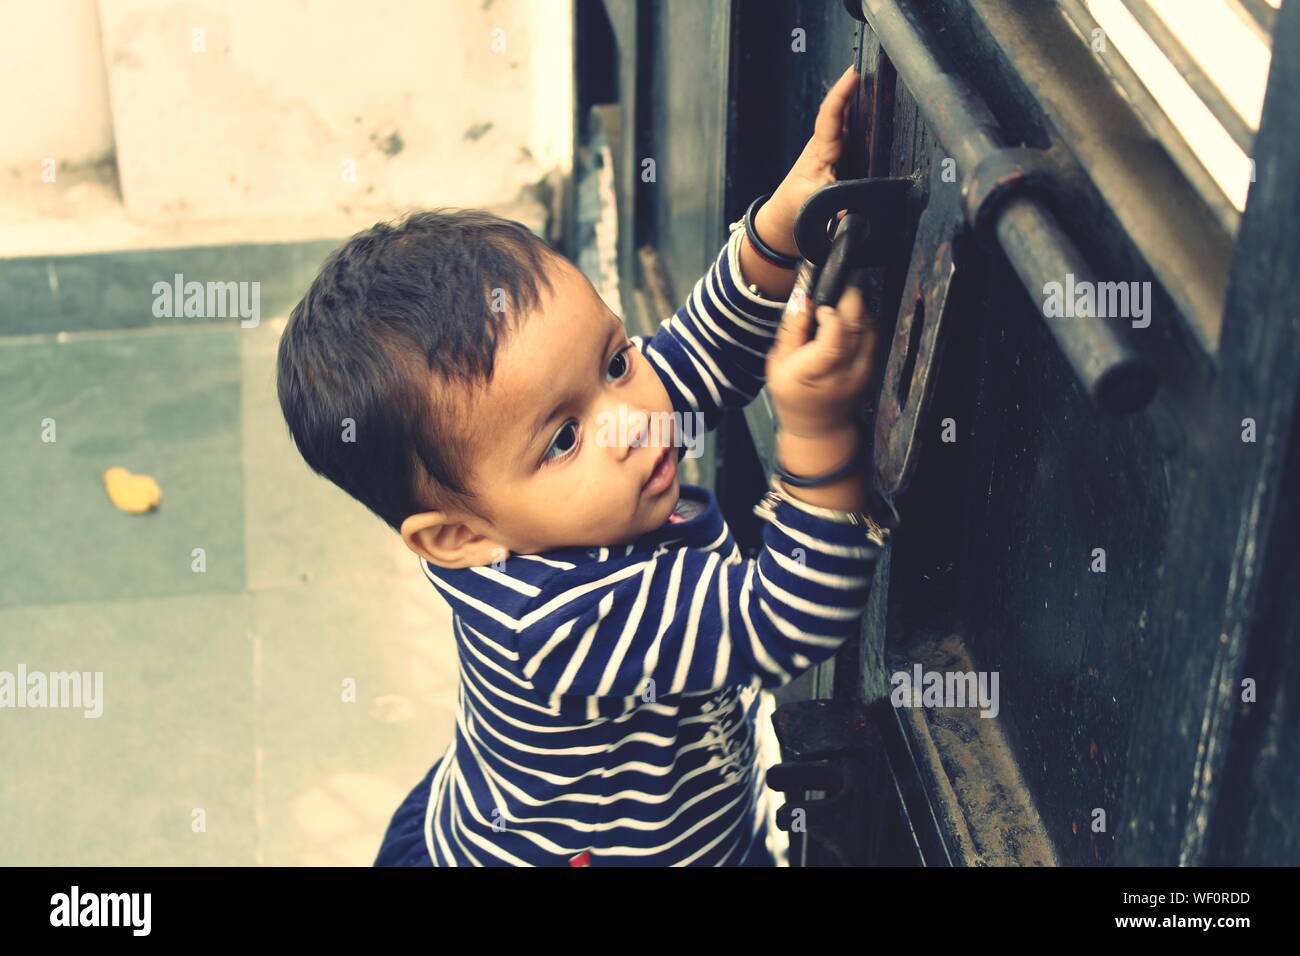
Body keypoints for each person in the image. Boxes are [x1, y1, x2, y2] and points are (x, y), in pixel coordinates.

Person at [277, 66, 891, 865]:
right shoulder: (563, 617)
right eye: (563, 440)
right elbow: (786, 618)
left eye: (612, 360)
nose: (632, 420)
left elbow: (695, 357)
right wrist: (818, 438)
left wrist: (780, 230)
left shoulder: (555, 483)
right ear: (458, 536)